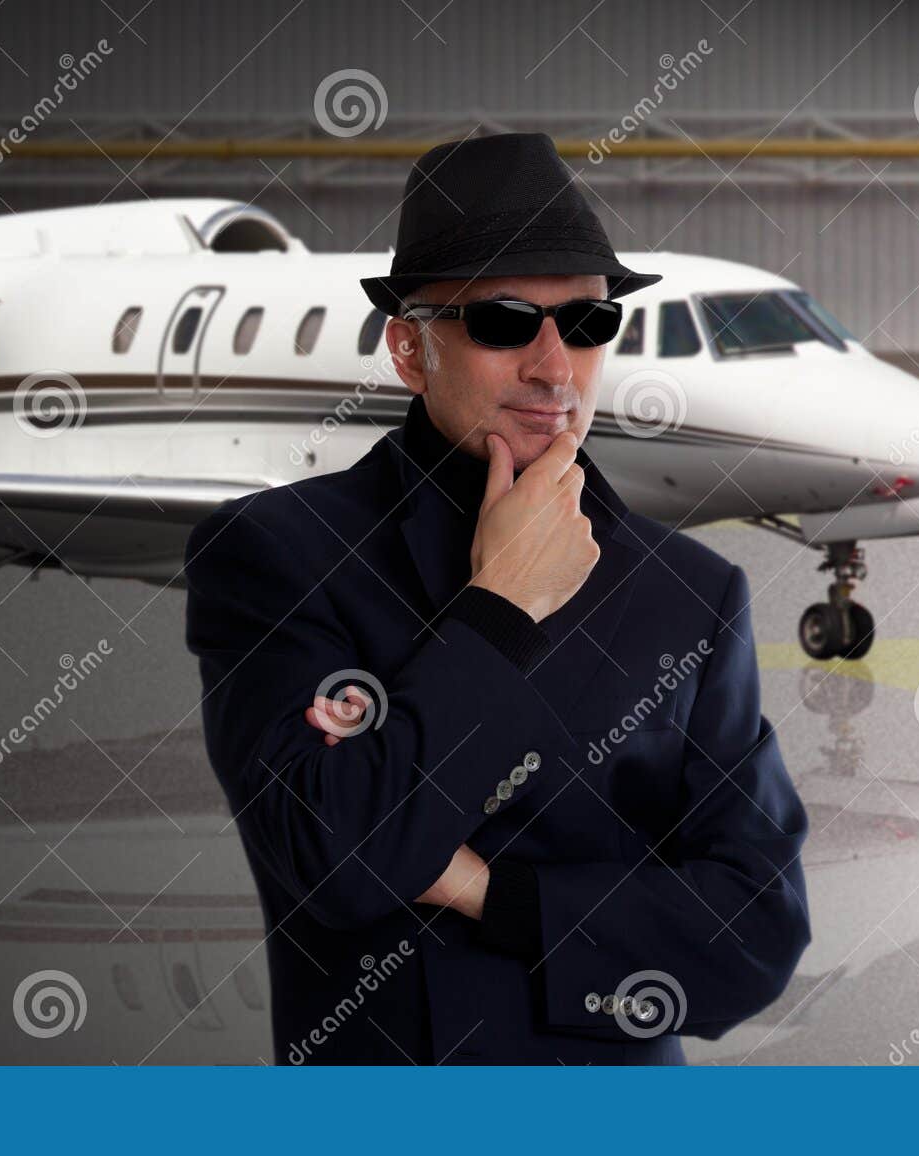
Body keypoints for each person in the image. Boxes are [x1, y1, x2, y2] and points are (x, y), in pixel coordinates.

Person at [184, 131, 810, 1064]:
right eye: (506, 322)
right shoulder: (278, 555)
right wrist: (502, 605)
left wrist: (490, 892)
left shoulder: (692, 594)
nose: (556, 368)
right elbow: (335, 861)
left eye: (589, 325)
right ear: (408, 349)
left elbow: (756, 937)